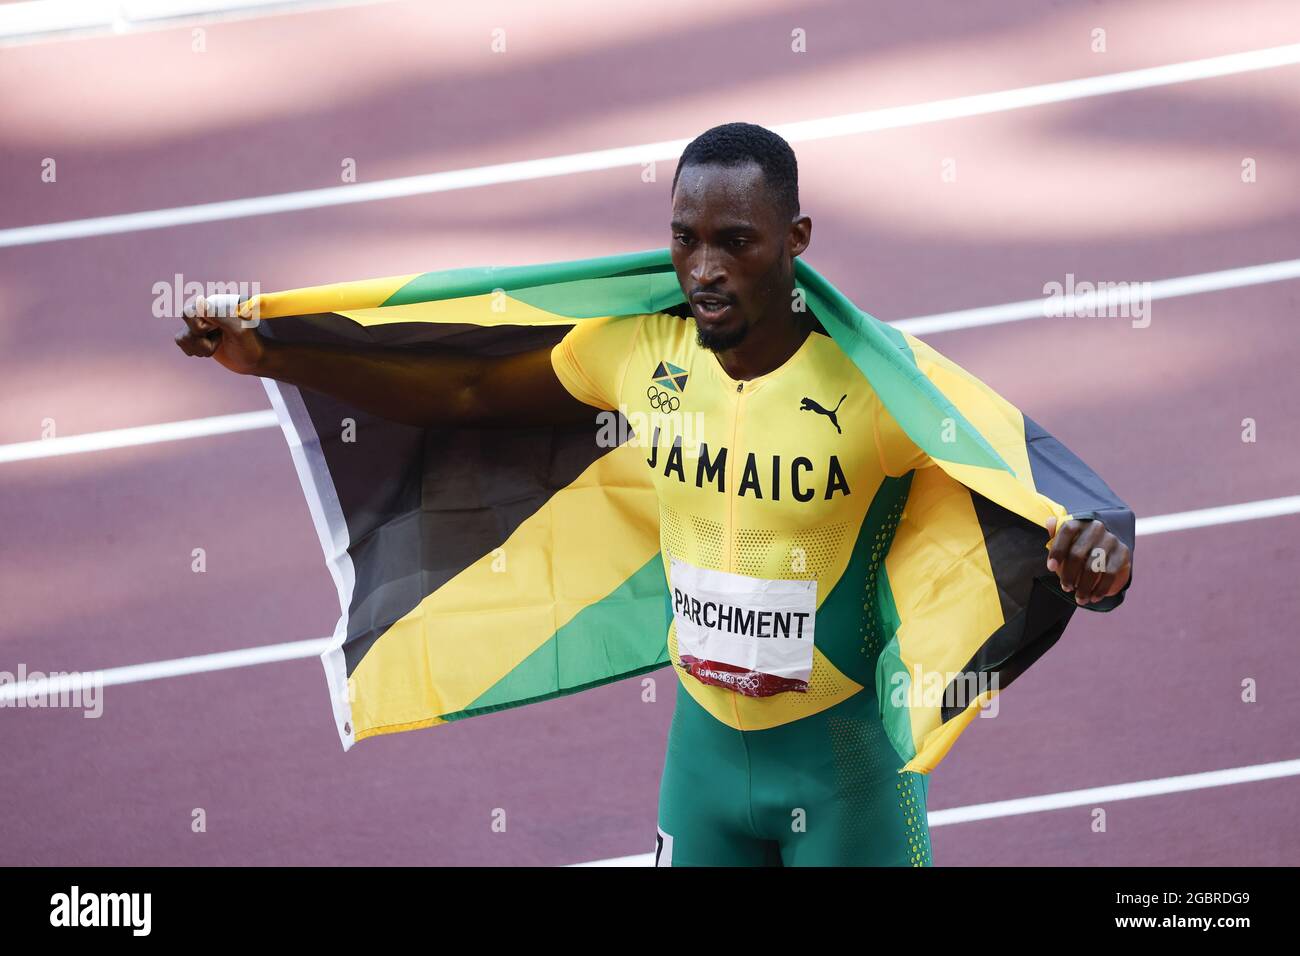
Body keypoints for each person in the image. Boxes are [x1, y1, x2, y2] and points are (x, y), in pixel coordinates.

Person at [176, 122, 1132, 866]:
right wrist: (275, 352)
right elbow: (465, 388)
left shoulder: (883, 390)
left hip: (846, 770)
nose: (704, 268)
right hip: (703, 756)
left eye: (736, 242)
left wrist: (1098, 570)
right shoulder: (642, 352)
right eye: (685, 239)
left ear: (796, 238)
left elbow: (1032, 490)